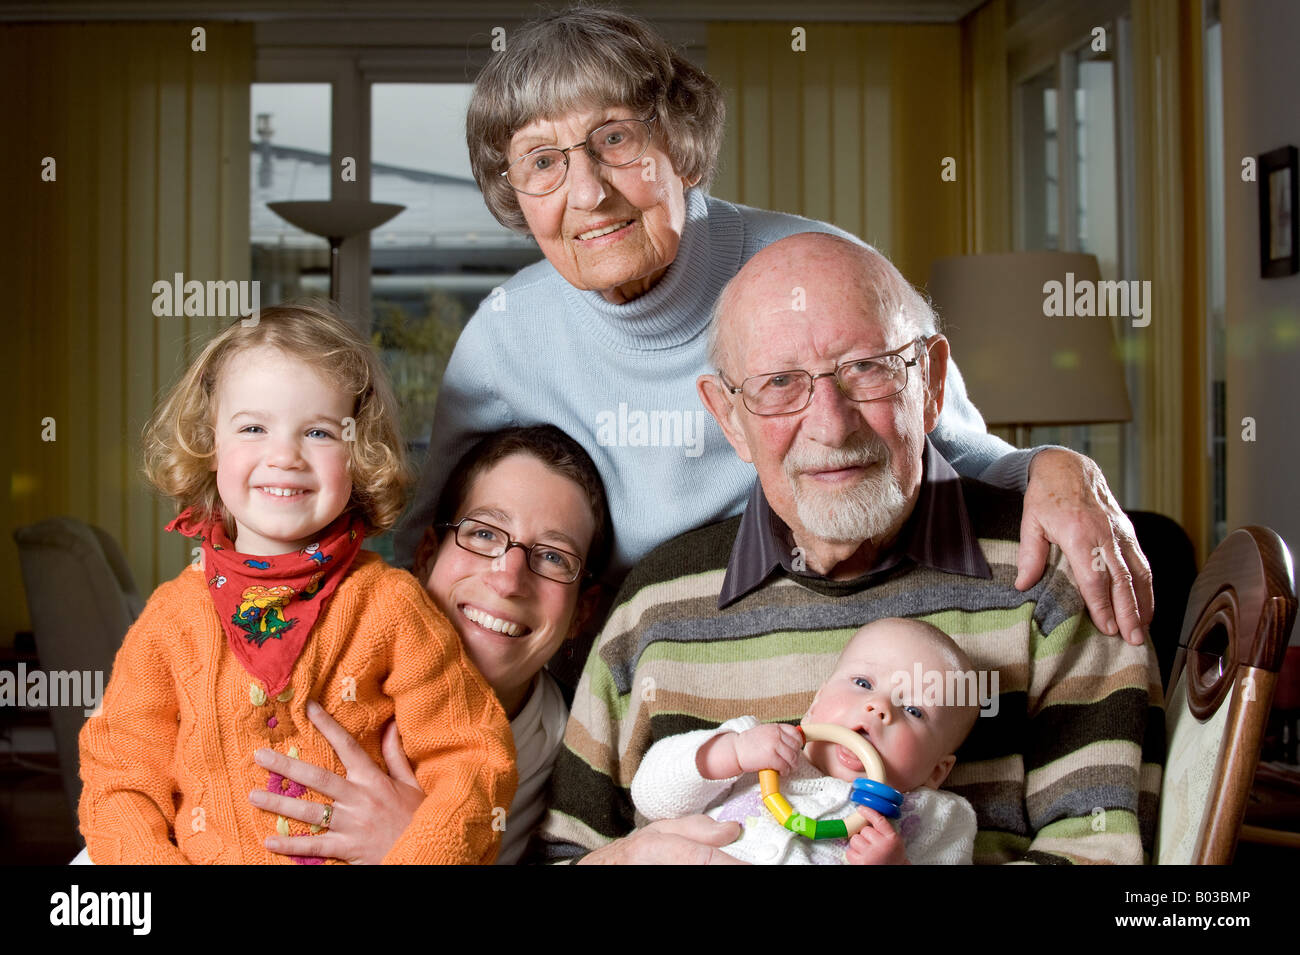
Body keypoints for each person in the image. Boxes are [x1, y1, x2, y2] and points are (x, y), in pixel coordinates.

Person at [393, 6, 1153, 652]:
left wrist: (1059, 467)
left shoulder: (820, 268)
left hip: (803, 657)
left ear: (679, 145)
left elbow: (948, 448)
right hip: (609, 688)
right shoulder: (504, 337)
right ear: (512, 192)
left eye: (616, 139)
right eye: (543, 160)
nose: (588, 192)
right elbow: (428, 555)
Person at [537, 233, 1164, 865]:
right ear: (730, 419)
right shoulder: (656, 607)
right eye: (780, 383)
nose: (832, 425)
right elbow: (563, 854)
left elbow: (1104, 861)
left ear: (932, 382)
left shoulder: (1059, 572)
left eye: (867, 368)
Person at [77, 304, 516, 864]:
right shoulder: (170, 620)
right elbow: (121, 778)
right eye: (253, 427)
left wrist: (420, 855)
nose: (284, 456)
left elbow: (473, 756)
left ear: (359, 454)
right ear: (211, 445)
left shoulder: (393, 607)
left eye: (318, 431)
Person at [252, 425, 609, 865]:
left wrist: (416, 843)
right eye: (483, 533)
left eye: (553, 557)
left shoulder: (578, 755)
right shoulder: (316, 664)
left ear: (581, 613)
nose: (508, 578)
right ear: (425, 555)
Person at [631, 618, 980, 865]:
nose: (879, 708)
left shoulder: (939, 817)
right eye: (862, 683)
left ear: (937, 771)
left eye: (914, 710)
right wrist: (729, 753)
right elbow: (650, 796)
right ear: (814, 706)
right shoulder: (756, 747)